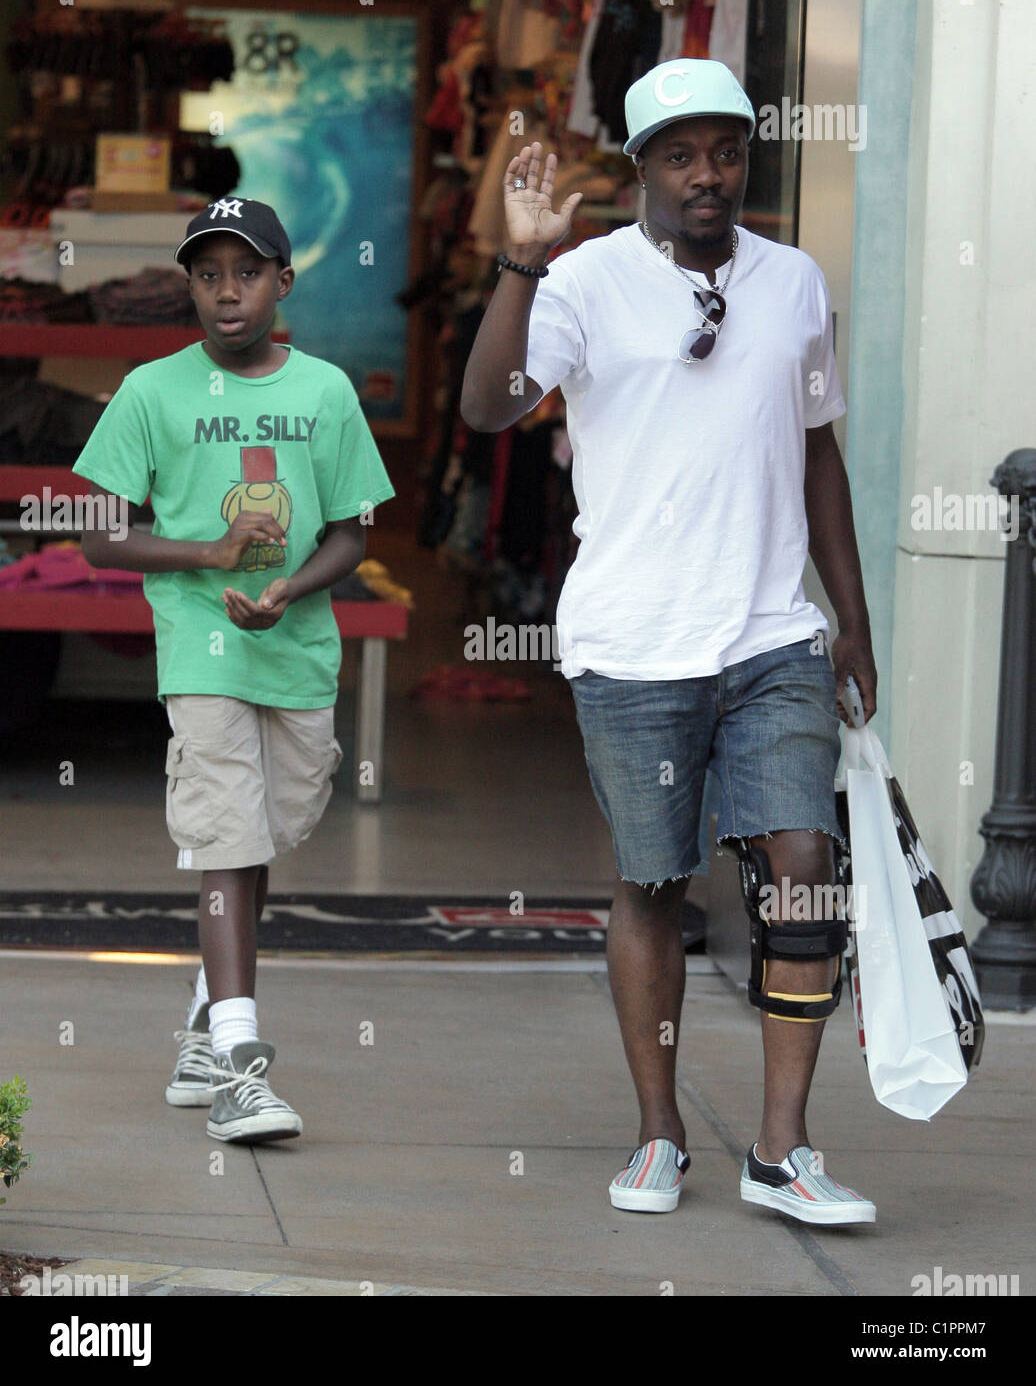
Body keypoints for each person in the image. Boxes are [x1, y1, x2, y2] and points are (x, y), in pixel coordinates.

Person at [461, 60, 878, 1225]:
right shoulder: (583, 279)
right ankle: (657, 1133)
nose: (709, 175)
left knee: (801, 868)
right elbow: (488, 408)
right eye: (682, 155)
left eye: (727, 152)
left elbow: (818, 452)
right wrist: (520, 261)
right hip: (635, 643)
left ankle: (782, 1148)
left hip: (770, 638)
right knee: (654, 879)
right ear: (641, 167)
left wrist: (847, 616)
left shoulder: (792, 281)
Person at [75, 198, 394, 1144]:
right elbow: (99, 538)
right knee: (224, 831)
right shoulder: (149, 392)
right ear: (190, 285)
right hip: (201, 652)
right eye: (207, 274)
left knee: (267, 830)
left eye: (246, 273)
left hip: (295, 651)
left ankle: (204, 1008)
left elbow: (351, 531)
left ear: (282, 283)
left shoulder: (328, 393)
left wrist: (290, 588)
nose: (226, 292)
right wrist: (211, 558)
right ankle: (242, 1070)